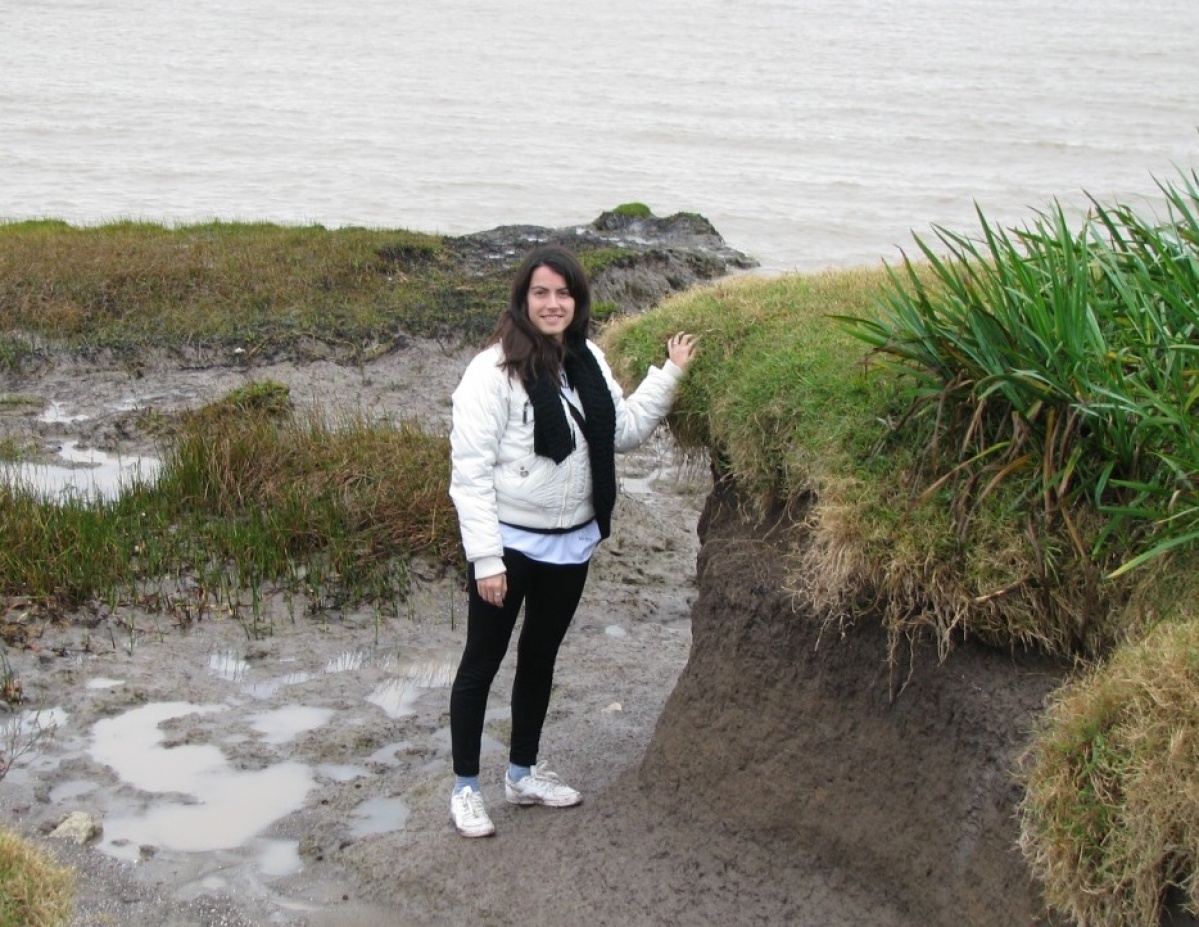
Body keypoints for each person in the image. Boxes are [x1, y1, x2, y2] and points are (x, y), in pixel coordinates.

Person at [446, 243, 698, 838]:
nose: (553, 304)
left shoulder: (589, 361)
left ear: (577, 301)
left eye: (564, 293)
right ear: (523, 298)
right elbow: (470, 473)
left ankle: (522, 772)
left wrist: (672, 374)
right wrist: (485, 559)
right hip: (509, 545)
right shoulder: (492, 372)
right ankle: (464, 789)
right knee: (481, 665)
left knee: (540, 659)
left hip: (571, 543)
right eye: (541, 292)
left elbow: (624, 432)